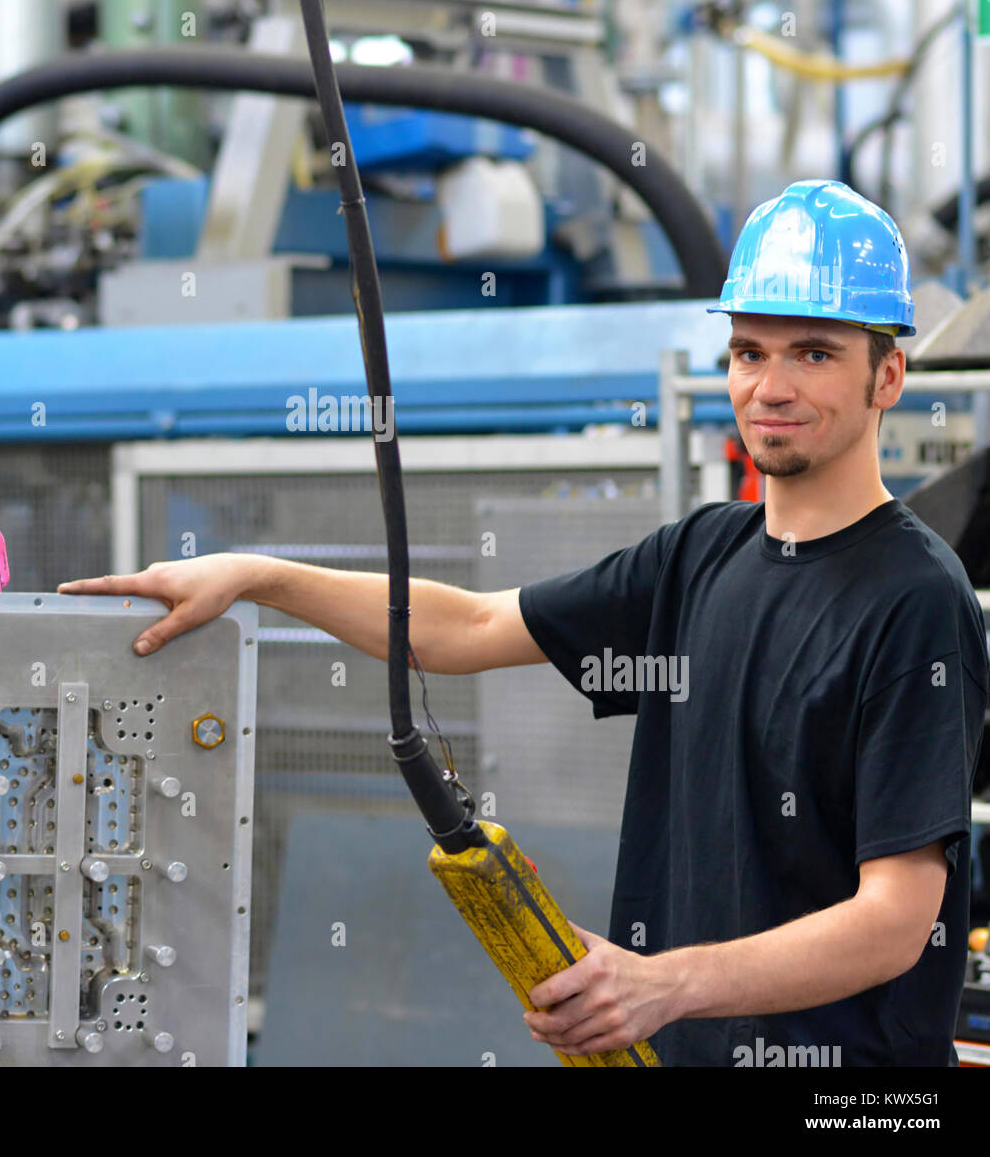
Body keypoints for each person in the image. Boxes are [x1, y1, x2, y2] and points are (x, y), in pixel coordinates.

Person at [60, 180, 988, 1067]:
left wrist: (664, 983)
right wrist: (258, 576)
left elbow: (895, 920)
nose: (771, 386)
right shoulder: (700, 556)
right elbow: (462, 628)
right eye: (750, 352)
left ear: (889, 374)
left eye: (813, 353)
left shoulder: (915, 601)